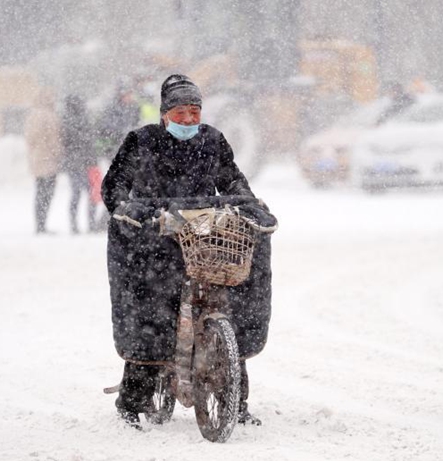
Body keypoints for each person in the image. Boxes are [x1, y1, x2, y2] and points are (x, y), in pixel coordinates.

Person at [101, 74, 271, 429]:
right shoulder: (142, 141)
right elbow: (115, 184)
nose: (189, 119)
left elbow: (232, 180)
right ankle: (132, 400)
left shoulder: (212, 140)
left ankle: (235, 401)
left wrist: (246, 202)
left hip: (202, 235)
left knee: (229, 304)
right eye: (180, 113)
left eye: (195, 112)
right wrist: (126, 209)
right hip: (156, 239)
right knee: (151, 317)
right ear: (165, 114)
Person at [24, 89, 62, 235]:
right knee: (47, 194)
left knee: (39, 192)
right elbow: (53, 139)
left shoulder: (32, 116)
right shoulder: (49, 116)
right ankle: (43, 224)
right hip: (48, 159)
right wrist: (58, 153)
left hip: (36, 159)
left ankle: (39, 224)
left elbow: (29, 139)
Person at [61, 95, 97, 234]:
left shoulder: (66, 120)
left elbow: (65, 143)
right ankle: (91, 223)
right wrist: (92, 160)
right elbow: (89, 141)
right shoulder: (84, 118)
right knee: (90, 193)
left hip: (74, 163)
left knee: (76, 193)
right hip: (86, 162)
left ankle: (74, 224)